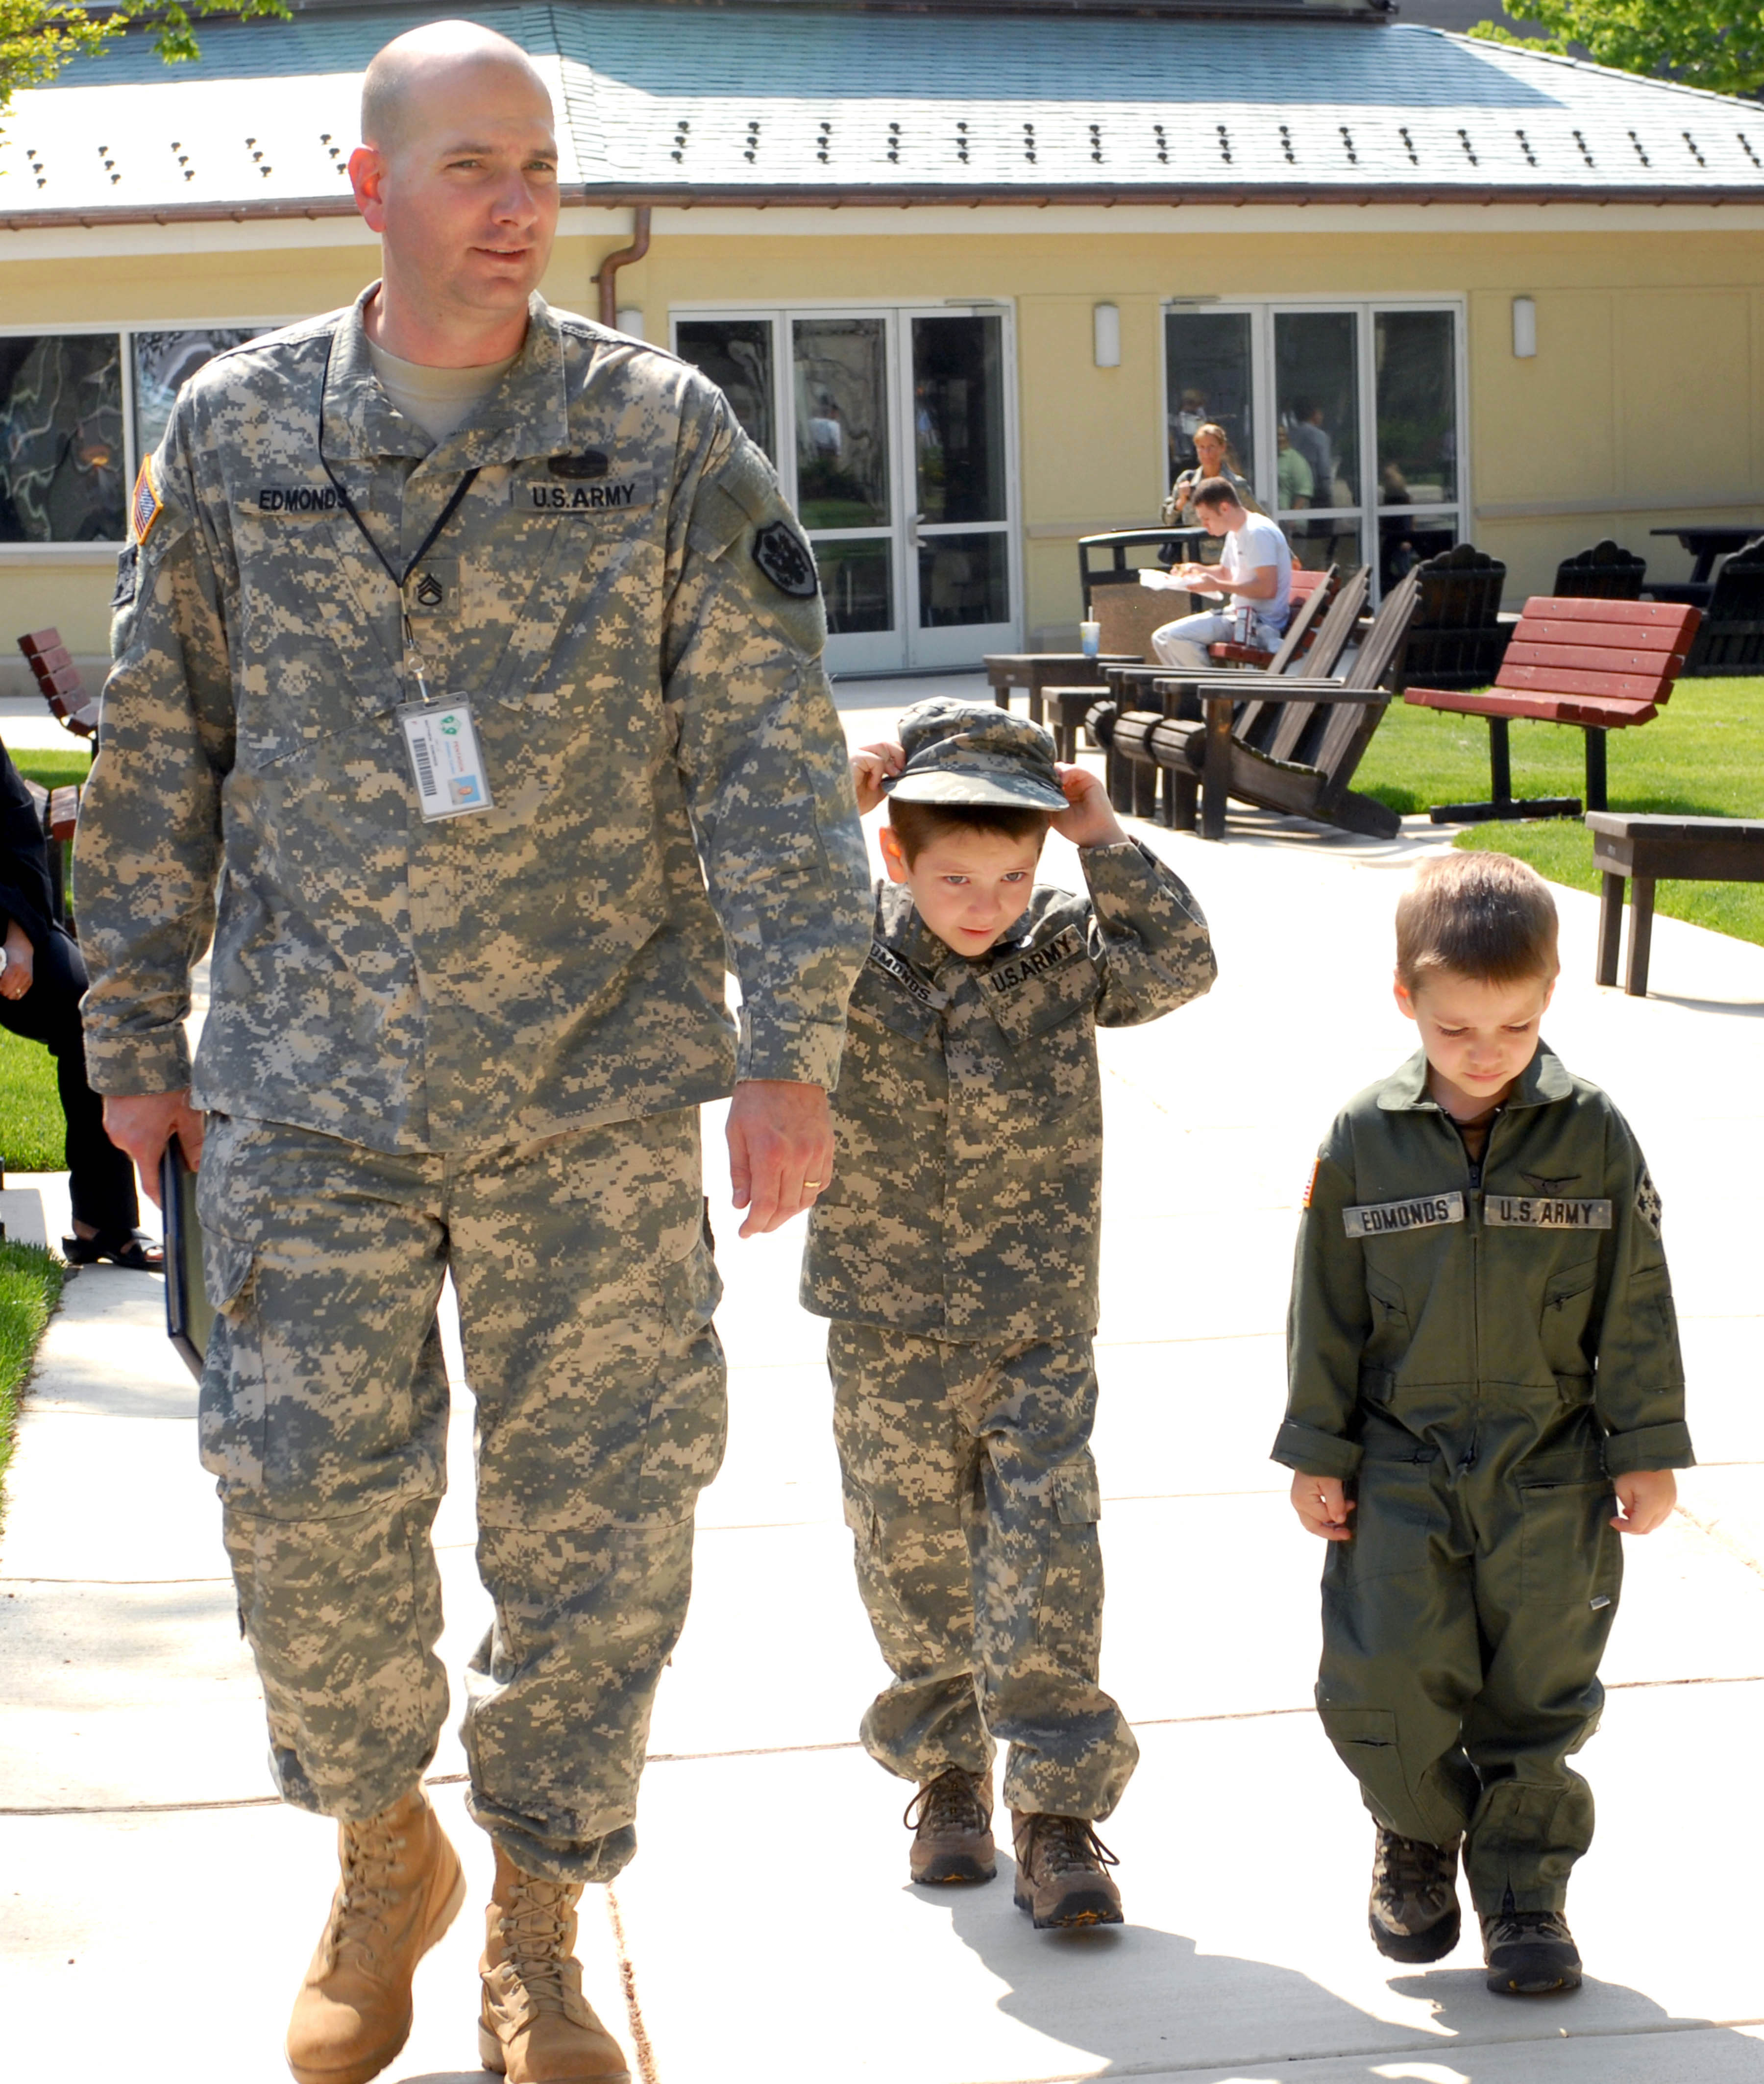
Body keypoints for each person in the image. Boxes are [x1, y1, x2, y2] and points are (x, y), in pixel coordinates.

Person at [75, 22, 869, 2084]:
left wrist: (791, 1044)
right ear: (370, 186)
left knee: (599, 1531)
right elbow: (160, 739)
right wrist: (130, 1028)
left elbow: (769, 749)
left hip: (590, 1083)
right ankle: (380, 1853)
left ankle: (534, 1916)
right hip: (302, 1084)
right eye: (469, 167)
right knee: (301, 1514)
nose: (516, 206)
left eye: (537, 167)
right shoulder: (236, 428)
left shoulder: (662, 432)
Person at [804, 698, 1216, 1932]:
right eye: (954, 877)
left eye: (1010, 875)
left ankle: (1054, 1808)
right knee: (909, 1553)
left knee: (1045, 1553)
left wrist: (1104, 840)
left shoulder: (1067, 949)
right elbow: (744, 930)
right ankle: (946, 1773)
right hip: (885, 1318)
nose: (984, 903)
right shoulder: (849, 946)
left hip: (1036, 1319)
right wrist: (829, 812)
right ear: (897, 856)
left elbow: (1181, 962)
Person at [1276, 853, 1689, 1999]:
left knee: (1540, 1689)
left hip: (1548, 1467)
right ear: (1404, 997)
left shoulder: (1593, 1134)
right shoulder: (1363, 1134)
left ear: (1550, 992)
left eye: (1515, 1024)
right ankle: (1415, 1831)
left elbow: (1636, 1299)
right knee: (1386, 1668)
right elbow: (1325, 1307)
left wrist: (1646, 1445)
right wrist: (1317, 1449)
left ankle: (1523, 1889)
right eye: (1455, 1025)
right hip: (1400, 1463)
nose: (1484, 1050)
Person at [0, 742, 160, 1269]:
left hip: (5, 919)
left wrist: (20, 937)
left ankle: (102, 1220)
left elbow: (17, 828)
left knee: (86, 1004)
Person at [1147, 477, 1293, 672]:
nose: (1205, 525)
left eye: (1206, 519)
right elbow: (1226, 572)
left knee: (1175, 637)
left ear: (1224, 508)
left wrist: (1216, 585)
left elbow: (1267, 589)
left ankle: (1209, 689)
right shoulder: (1236, 532)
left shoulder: (1258, 533)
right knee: (1161, 638)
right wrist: (1196, 569)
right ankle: (1194, 688)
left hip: (1257, 623)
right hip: (1237, 615)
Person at [1160, 420, 1260, 565]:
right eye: (1201, 447)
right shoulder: (1187, 480)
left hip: (1228, 561)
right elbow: (1167, 520)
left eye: (1211, 447)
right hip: (1193, 560)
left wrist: (1286, 554)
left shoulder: (1236, 485)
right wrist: (1181, 502)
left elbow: (1259, 519)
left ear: (1222, 448)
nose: (1206, 453)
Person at [1276, 424, 1314, 513]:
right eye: (1277, 435)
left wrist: (1291, 519)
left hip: (1288, 519)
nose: (1279, 439)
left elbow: (1303, 494)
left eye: (1282, 435)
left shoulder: (1296, 460)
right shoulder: (1265, 460)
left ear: (1288, 438)